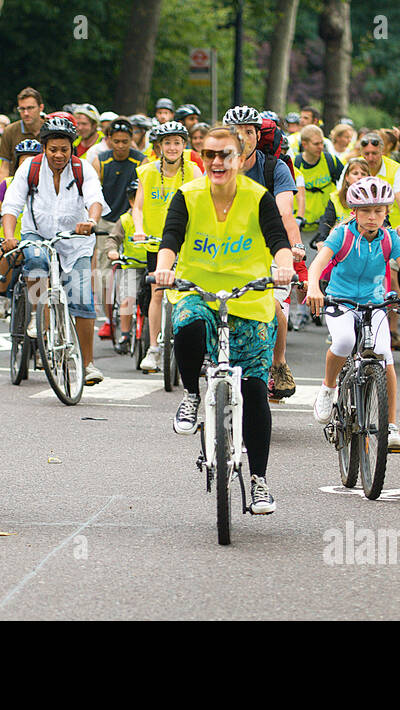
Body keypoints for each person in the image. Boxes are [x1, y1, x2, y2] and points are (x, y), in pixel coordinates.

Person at [154, 126, 296, 515]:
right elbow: (171, 240)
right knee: (187, 323)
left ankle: (259, 481)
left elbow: (279, 242)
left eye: (226, 155)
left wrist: (284, 268)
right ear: (202, 156)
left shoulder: (258, 197)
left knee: (253, 389)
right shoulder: (188, 196)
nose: (218, 162)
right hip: (197, 289)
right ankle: (192, 395)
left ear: (239, 157)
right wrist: (164, 270)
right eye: (211, 155)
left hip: (249, 297)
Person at [306, 176, 400, 452]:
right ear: (354, 212)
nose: (372, 217)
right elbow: (318, 264)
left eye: (378, 210)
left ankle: (390, 427)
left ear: (387, 211)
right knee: (344, 342)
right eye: (365, 211)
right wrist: (314, 286)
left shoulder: (390, 238)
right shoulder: (342, 233)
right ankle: (328, 389)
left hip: (375, 304)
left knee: (385, 354)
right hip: (340, 301)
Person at [1, 115, 107, 385]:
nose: (59, 155)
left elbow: (95, 199)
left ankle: (89, 364)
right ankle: (39, 319)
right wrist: (11, 237)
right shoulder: (30, 169)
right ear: (44, 148)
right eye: (53, 149)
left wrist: (91, 221)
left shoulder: (83, 169)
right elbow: (11, 205)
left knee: (82, 299)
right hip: (38, 234)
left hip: (76, 241)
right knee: (35, 262)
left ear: (72, 148)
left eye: (64, 149)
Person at [223, 105, 305, 400]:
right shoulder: (218, 167)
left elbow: (284, 212)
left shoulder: (275, 168)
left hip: (270, 248)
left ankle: (279, 363)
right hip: (225, 250)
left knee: (273, 305)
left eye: (249, 132)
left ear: (258, 135)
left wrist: (294, 249)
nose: (242, 138)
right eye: (236, 133)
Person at [130, 121, 203, 372]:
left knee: (191, 294)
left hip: (185, 244)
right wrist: (139, 230)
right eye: (167, 143)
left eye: (177, 143)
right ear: (159, 146)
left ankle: (198, 349)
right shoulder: (148, 171)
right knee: (157, 292)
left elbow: (203, 206)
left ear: (184, 145)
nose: (172, 148)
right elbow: (137, 207)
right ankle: (154, 349)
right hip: (156, 243)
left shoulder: (194, 172)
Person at [88, 118, 145, 337]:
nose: (121, 146)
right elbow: (93, 193)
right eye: (117, 141)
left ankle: (135, 314)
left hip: (132, 218)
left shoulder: (140, 161)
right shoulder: (100, 161)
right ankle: (108, 317)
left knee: (135, 268)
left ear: (132, 140)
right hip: (107, 220)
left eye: (125, 141)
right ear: (109, 140)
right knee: (103, 273)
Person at [0, 138, 43, 319]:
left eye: (32, 161)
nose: (27, 165)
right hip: (11, 240)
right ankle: (2, 296)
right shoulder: (9, 183)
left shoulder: (48, 184)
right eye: (23, 160)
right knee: (6, 256)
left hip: (39, 240)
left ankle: (37, 314)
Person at [106, 179, 147, 352]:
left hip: (153, 264)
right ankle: (124, 334)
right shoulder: (125, 220)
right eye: (133, 197)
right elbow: (113, 239)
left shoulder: (156, 218)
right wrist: (112, 251)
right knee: (127, 299)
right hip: (130, 264)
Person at [296, 125, 344, 241]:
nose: (321, 147)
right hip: (302, 225)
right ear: (305, 144)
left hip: (326, 224)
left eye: (322, 143)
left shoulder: (331, 161)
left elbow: (345, 185)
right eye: (316, 144)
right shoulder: (295, 164)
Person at [0, 87, 46, 178]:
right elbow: (4, 166)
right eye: (22, 109)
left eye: (30, 108)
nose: (26, 113)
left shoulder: (50, 129)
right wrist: (3, 190)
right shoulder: (10, 131)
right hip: (17, 183)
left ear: (41, 107)